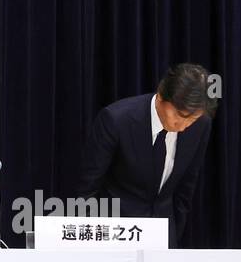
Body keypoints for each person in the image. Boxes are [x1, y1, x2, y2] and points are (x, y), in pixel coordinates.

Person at [77, 63, 218, 247]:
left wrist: (172, 235)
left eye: (192, 120)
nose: (183, 126)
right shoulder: (116, 120)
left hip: (163, 238)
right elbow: (87, 189)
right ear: (161, 96)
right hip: (116, 236)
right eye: (180, 115)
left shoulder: (201, 125)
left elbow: (186, 188)